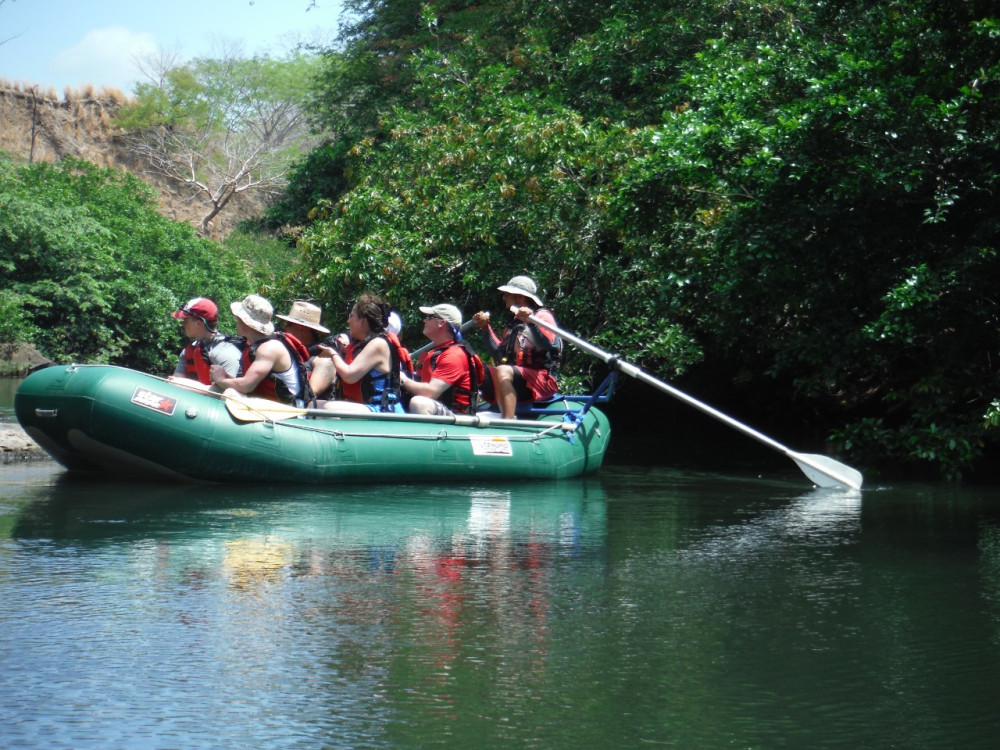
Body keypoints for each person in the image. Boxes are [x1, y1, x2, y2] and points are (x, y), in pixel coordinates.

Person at [472, 275, 562, 419]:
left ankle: (507, 421)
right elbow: (500, 356)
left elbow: (546, 346)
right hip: (513, 378)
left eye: (507, 294)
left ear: (520, 297)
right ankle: (465, 411)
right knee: (473, 366)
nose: (504, 298)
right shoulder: (514, 322)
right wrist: (485, 329)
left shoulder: (542, 317)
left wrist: (531, 323)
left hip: (541, 381)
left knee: (503, 370)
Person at [209, 294, 313, 406]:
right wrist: (225, 377)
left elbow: (246, 386)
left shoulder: (269, 348)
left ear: (245, 323)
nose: (236, 322)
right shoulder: (257, 345)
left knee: (230, 394)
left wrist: (220, 379)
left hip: (288, 410)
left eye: (238, 319)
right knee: (217, 388)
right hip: (270, 404)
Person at [319, 292, 406, 414]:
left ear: (363, 321)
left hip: (382, 409)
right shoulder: (362, 344)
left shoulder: (378, 344)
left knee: (328, 409)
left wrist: (333, 354)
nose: (348, 321)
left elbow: (349, 376)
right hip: (365, 407)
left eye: (351, 316)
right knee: (314, 405)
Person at [402, 304, 484, 416]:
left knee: (419, 403)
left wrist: (403, 380)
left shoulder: (454, 355)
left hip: (458, 416)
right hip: (440, 408)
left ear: (441, 322)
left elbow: (430, 393)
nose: (424, 320)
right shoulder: (438, 352)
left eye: (430, 317)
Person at [170, 297, 243, 387]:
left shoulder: (226, 353)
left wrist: (185, 384)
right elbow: (174, 383)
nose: (182, 324)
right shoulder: (188, 350)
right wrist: (178, 382)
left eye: (185, 320)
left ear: (198, 324)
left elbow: (227, 391)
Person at [275, 300, 336, 401]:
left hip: (308, 410)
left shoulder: (323, 359)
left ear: (301, 329)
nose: (284, 327)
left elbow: (309, 395)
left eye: (288, 324)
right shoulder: (289, 353)